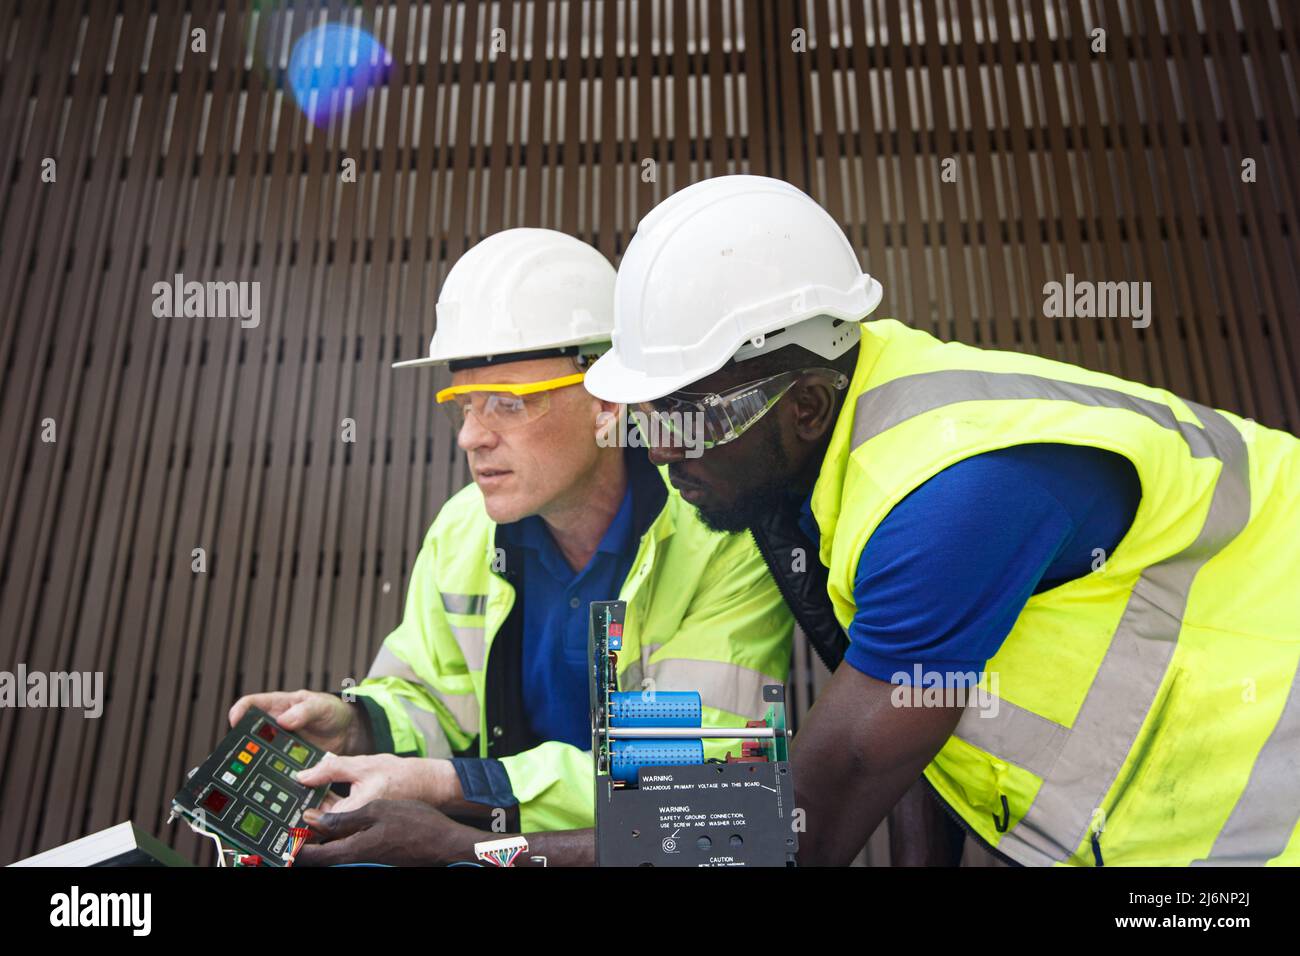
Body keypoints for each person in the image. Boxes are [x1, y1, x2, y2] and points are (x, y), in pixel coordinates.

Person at [582, 174, 1300, 866]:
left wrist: (492, 851)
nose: (662, 446)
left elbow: (801, 822)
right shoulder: (814, 463)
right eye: (647, 413)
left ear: (805, 407)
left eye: (687, 414)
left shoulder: (947, 499)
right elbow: (904, 732)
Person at [229, 228, 793, 862]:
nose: (471, 436)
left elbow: (683, 782)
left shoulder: (718, 533)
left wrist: (452, 784)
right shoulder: (463, 529)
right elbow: (433, 697)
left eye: (505, 404)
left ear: (605, 402)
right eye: (463, 406)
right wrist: (356, 723)